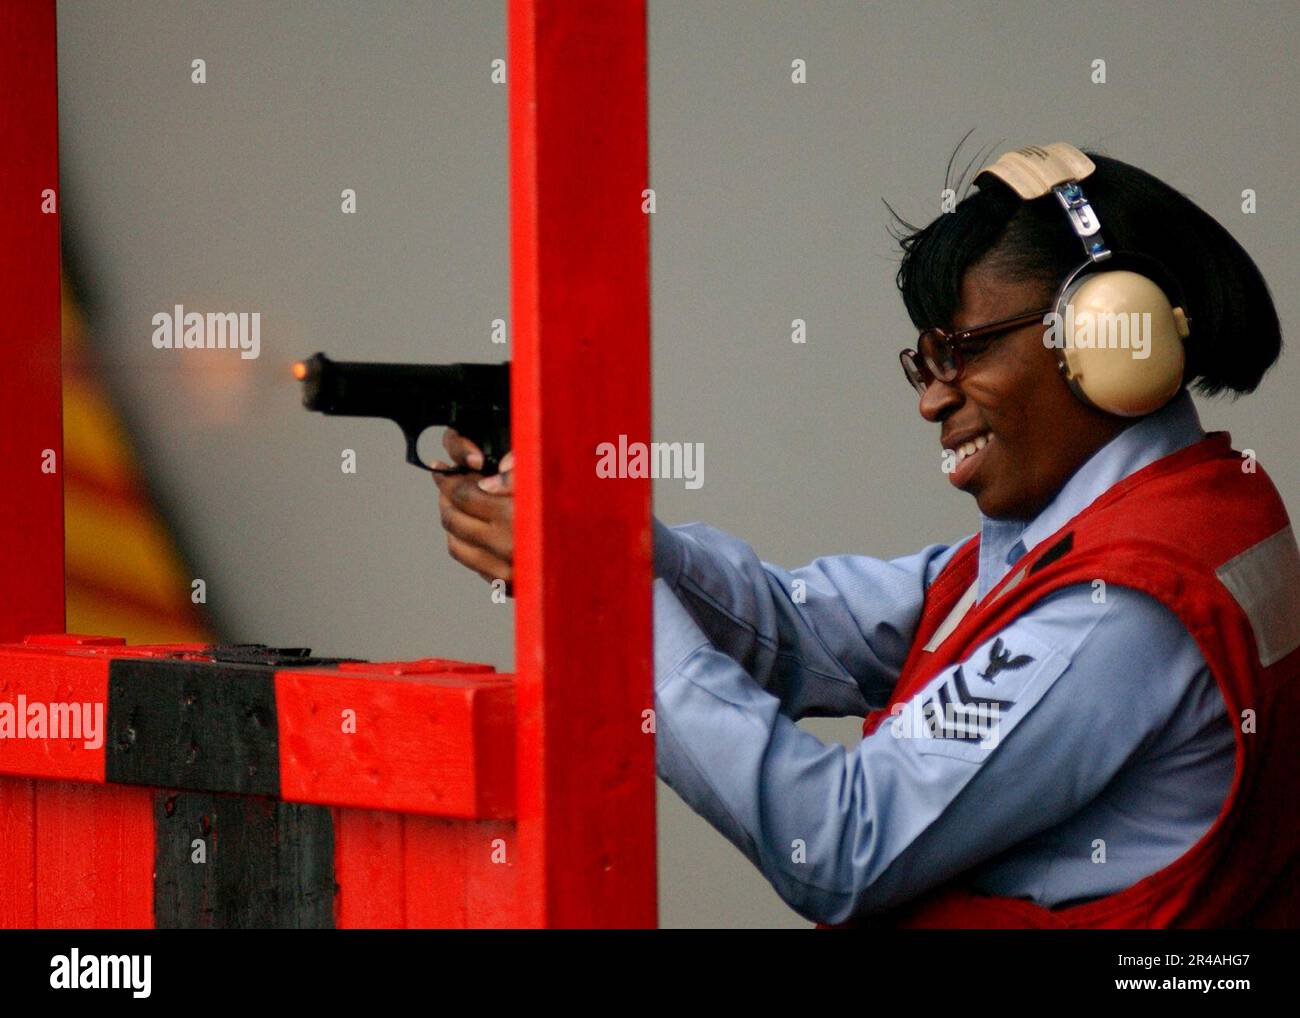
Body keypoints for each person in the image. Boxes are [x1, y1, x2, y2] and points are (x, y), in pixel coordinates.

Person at [432, 142, 1300, 928]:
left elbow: (838, 842)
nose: (932, 398)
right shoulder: (1159, 516)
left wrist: (594, 587)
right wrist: (606, 538)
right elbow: (798, 627)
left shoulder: (1123, 608)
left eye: (965, 352)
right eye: (926, 361)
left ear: (1111, 337)